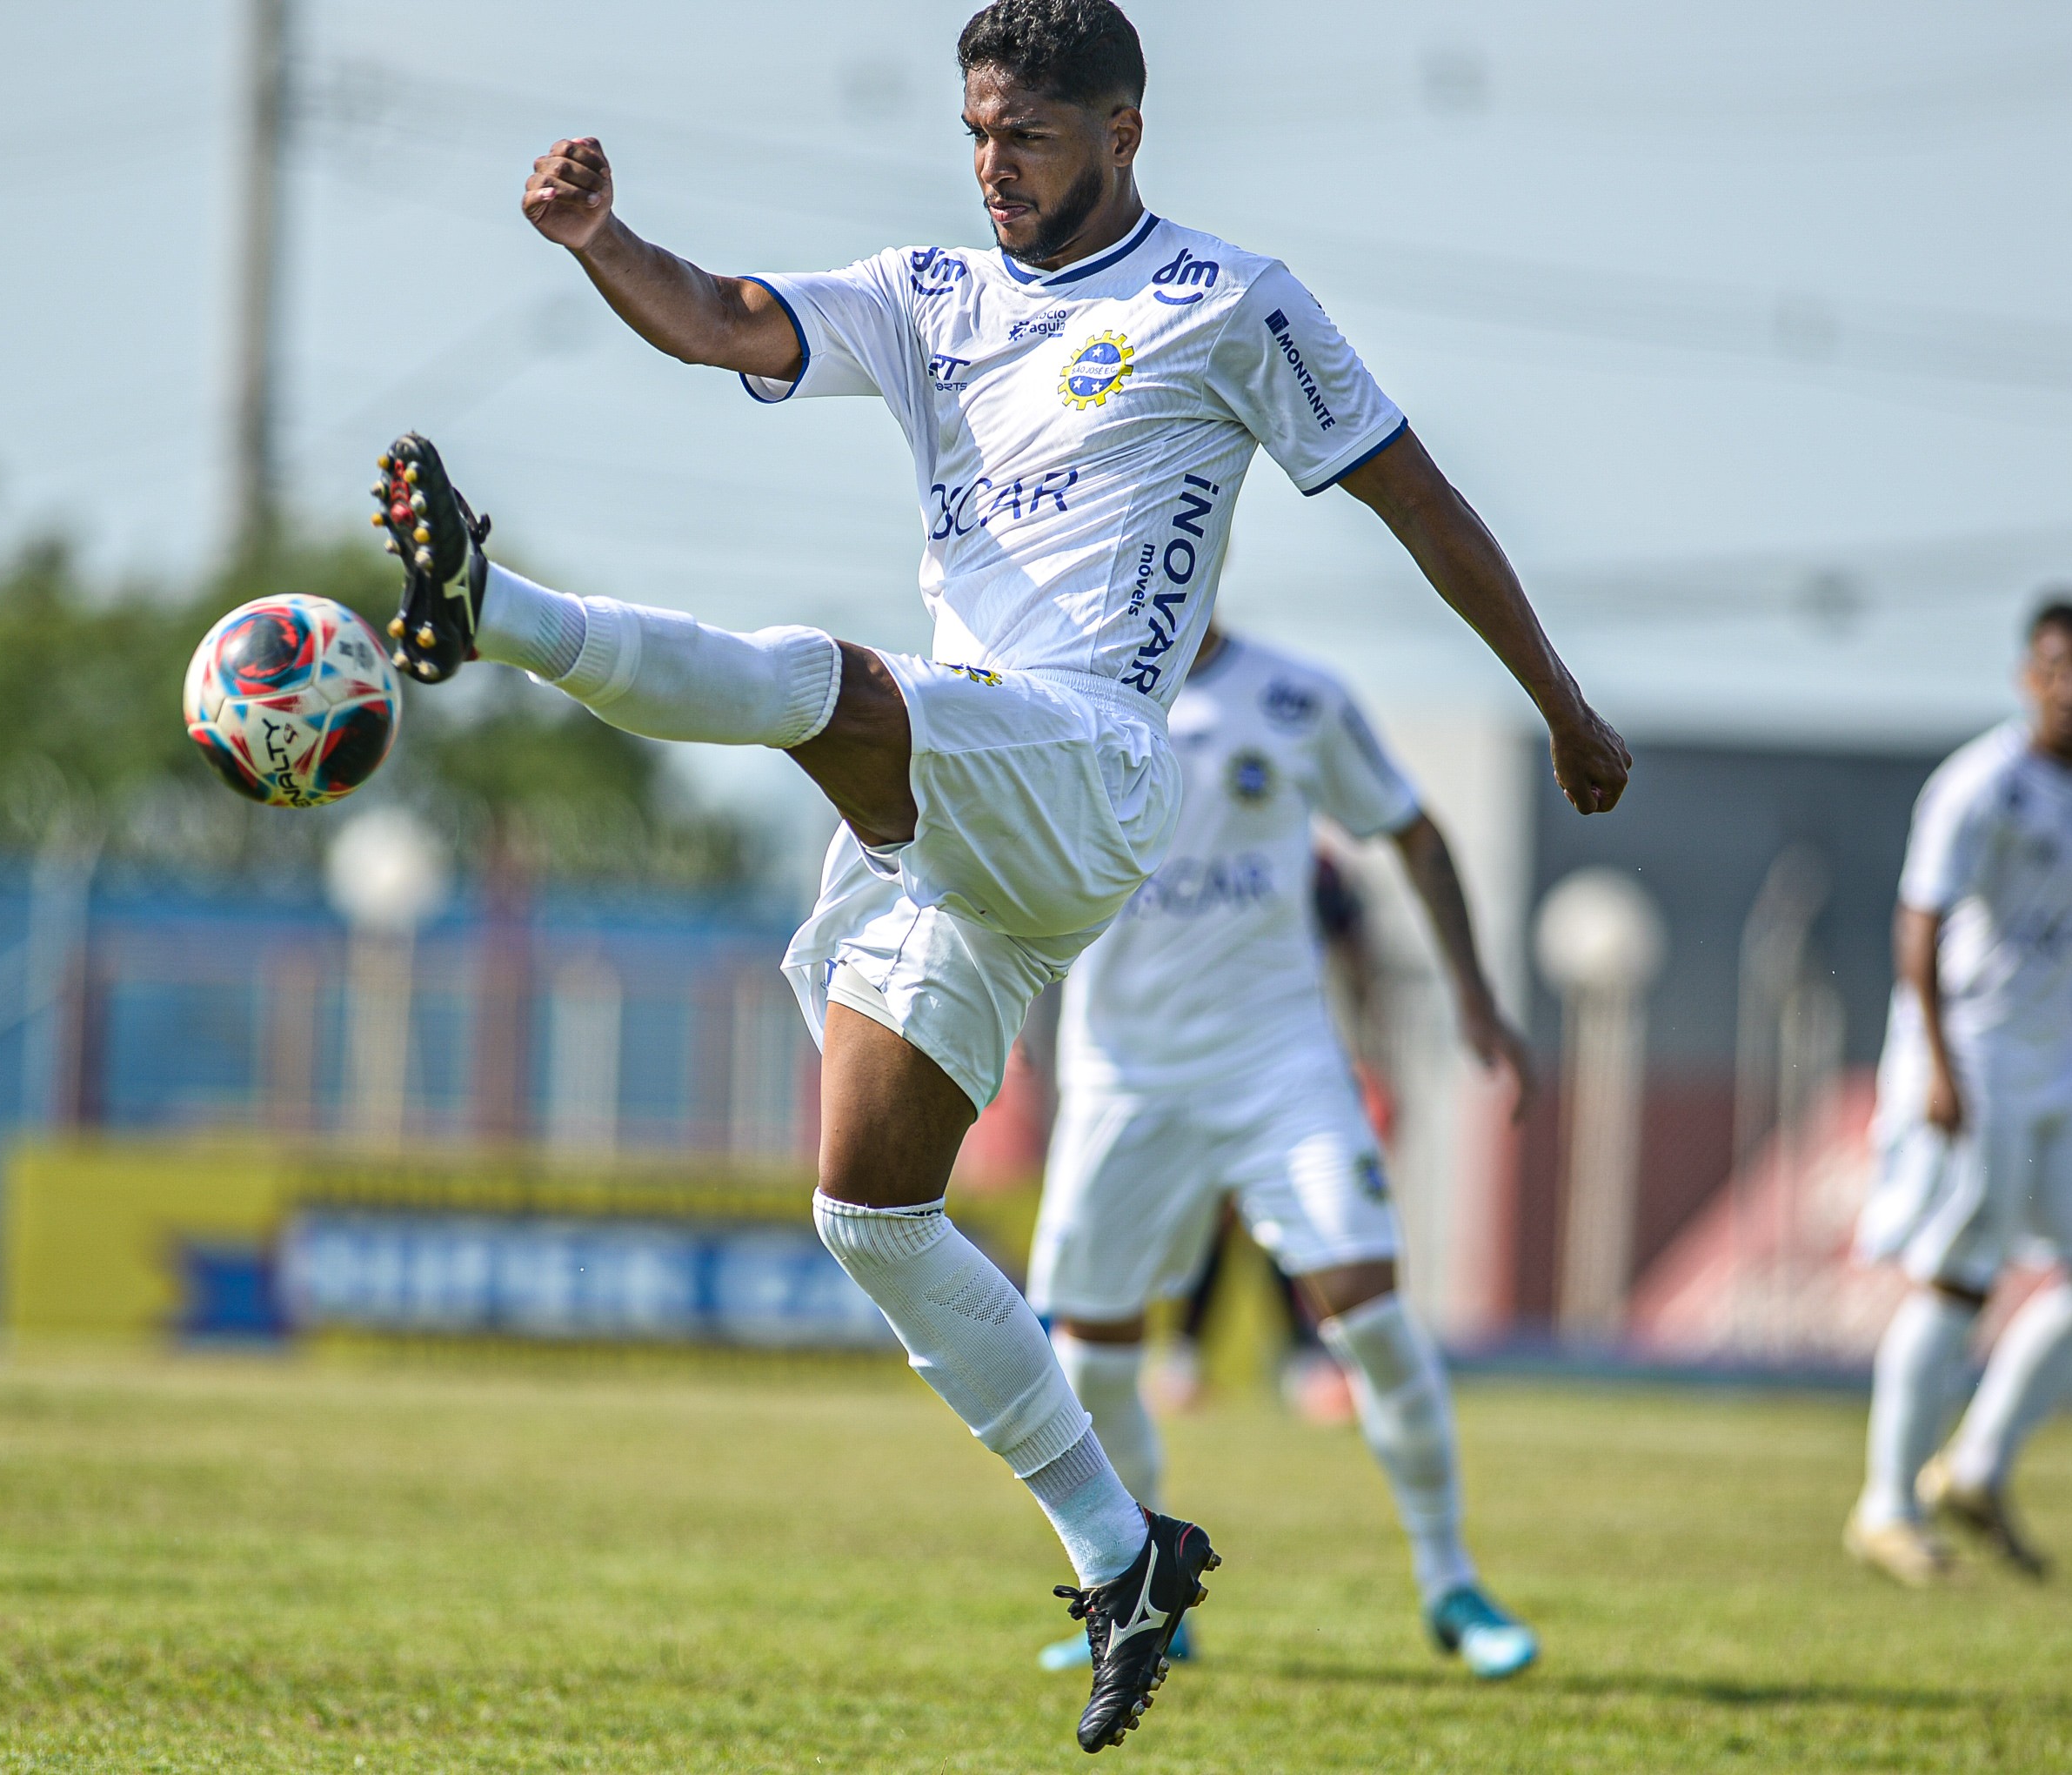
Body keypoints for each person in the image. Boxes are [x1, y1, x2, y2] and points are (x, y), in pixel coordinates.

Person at [376, 0, 1628, 1748]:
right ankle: (1123, 1555)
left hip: (1093, 758)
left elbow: (1419, 500)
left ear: (1121, 129)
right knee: (866, 1205)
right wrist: (604, 243)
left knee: (826, 678)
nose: (992, 168)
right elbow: (723, 317)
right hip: (974, 822)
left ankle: (491, 612)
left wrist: (1557, 700)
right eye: (976, 132)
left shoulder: (1232, 303)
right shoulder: (935, 295)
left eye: (1025, 136)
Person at [1027, 618, 1542, 1680]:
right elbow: (1009, 864)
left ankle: (1450, 1583)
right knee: (1090, 1351)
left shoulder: (1299, 695)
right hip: (1127, 1076)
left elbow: (1413, 832)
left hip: (1281, 1067)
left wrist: (1476, 1002)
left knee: (1377, 1317)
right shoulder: (1056, 688)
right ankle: (1141, 1594)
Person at [1845, 597, 2072, 1587]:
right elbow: (1919, 924)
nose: (2069, 687)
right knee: (1959, 1283)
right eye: (2051, 668)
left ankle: (1978, 1468)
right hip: (1974, 1055)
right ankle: (1885, 1508)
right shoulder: (1979, 787)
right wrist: (1939, 1065)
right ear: (2026, 677)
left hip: (2060, 1062)